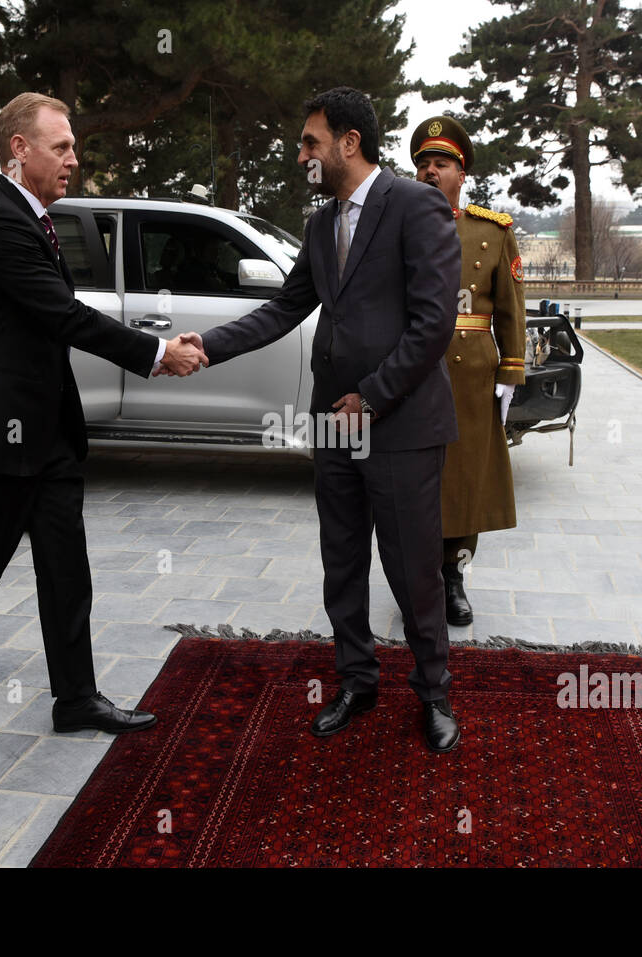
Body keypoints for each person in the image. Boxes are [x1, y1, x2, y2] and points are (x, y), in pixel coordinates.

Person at [0, 92, 207, 736]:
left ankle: (76, 698)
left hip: (46, 430)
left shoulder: (31, 216)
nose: (73, 159)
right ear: (20, 149)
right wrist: (155, 353)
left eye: (73, 148)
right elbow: (61, 314)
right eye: (61, 147)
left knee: (66, 566)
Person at [192, 87, 463, 753]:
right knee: (341, 560)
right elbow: (284, 308)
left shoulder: (416, 205)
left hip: (398, 422)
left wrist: (371, 396)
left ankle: (433, 692)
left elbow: (433, 324)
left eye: (311, 142)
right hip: (333, 424)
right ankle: (356, 681)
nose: (302, 154)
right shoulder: (320, 226)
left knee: (412, 569)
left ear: (349, 142)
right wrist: (206, 346)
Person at [411, 116, 526, 625]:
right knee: (415, 475)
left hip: (471, 372)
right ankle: (419, 580)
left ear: (462, 174)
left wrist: (510, 372)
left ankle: (453, 578)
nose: (430, 171)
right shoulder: (396, 223)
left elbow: (511, 307)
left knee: (464, 478)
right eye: (423, 164)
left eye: (441, 163)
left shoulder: (491, 230)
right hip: (411, 367)